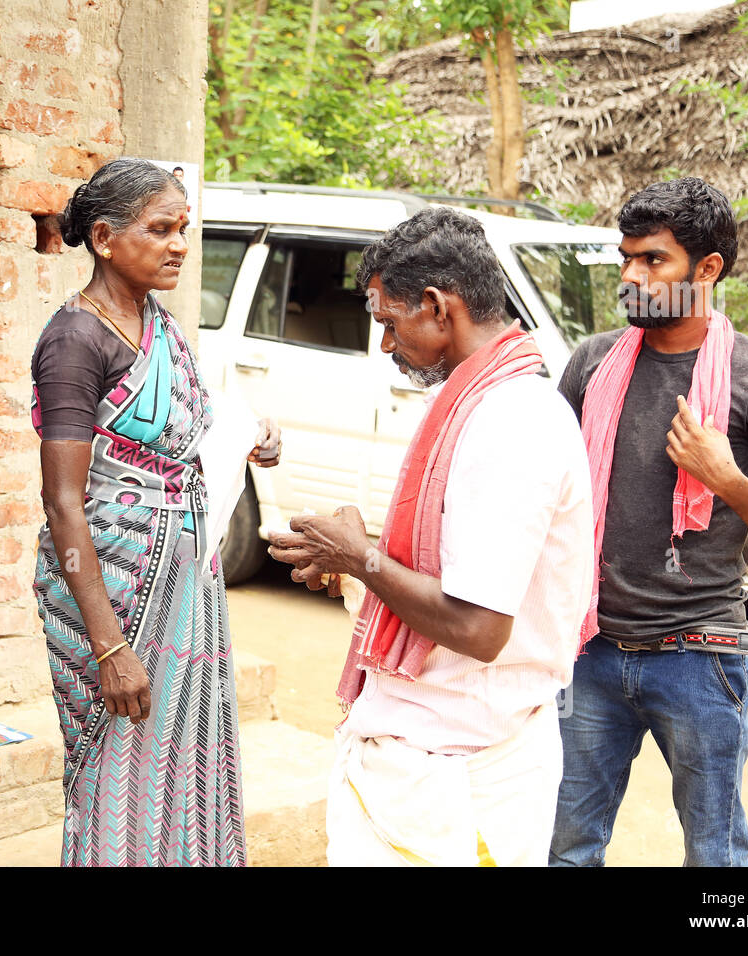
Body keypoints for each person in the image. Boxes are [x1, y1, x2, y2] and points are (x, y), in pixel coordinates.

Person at [268, 207, 595, 866]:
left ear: (439, 307)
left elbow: (478, 628)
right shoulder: (480, 401)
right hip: (441, 755)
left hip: (459, 773)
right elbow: (460, 567)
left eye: (388, 323)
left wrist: (360, 558)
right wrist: (362, 557)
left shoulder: (510, 421)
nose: (386, 345)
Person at [549, 178, 748, 867]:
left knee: (714, 855)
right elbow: (549, 491)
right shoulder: (592, 363)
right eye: (625, 258)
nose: (631, 277)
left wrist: (727, 480)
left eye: (653, 261)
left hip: (702, 660)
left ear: (708, 269)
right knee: (566, 849)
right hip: (590, 652)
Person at [30, 158, 281, 866]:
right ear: (105, 238)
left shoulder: (155, 323)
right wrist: (110, 647)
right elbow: (62, 499)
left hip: (183, 577)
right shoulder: (75, 340)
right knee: (119, 767)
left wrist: (251, 435)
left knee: (179, 763)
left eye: (184, 229)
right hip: (113, 587)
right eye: (162, 229)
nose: (179, 244)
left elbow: (182, 427)